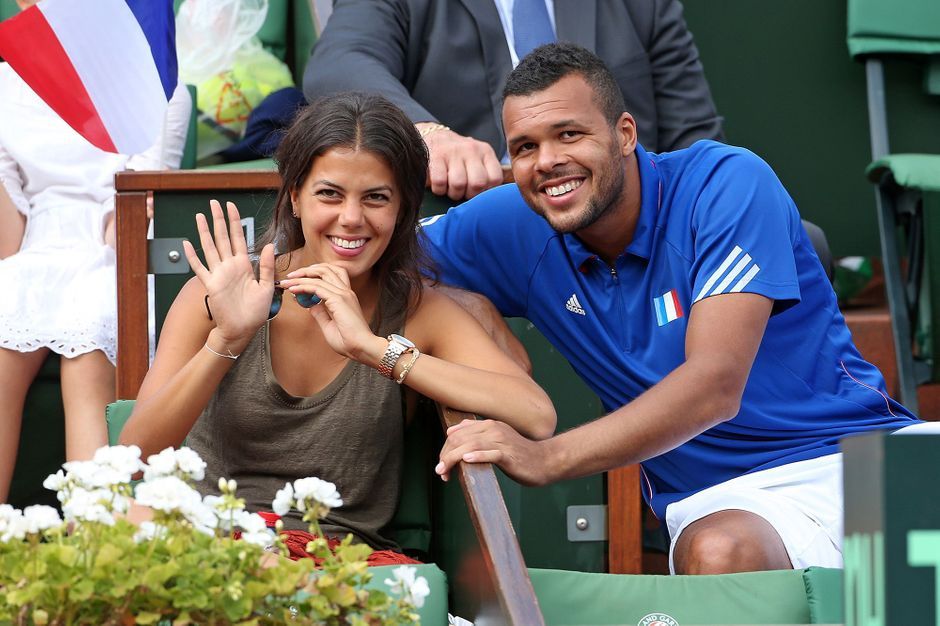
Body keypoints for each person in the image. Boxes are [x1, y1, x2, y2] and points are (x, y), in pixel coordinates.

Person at [423, 42, 924, 575]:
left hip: (859, 461)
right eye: (524, 147)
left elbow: (713, 386)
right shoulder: (512, 224)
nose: (547, 161)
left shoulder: (725, 182)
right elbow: (370, 257)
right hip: (729, 503)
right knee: (720, 555)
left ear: (624, 135)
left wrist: (546, 458)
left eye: (570, 134)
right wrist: (471, 317)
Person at [118, 93, 555, 560]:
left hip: (332, 561)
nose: (351, 218)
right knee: (124, 517)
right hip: (204, 543)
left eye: (376, 198)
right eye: (329, 193)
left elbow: (536, 414)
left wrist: (372, 349)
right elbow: (133, 457)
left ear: (402, 209)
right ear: (296, 197)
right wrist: (226, 339)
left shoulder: (418, 310)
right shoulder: (221, 294)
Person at [0, 3, 191, 503]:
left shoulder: (154, 78)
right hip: (33, 256)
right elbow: (9, 240)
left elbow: (128, 216)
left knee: (86, 346)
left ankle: (96, 543)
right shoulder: (6, 82)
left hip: (115, 253)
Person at [303, 0, 724, 201]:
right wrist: (429, 135)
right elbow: (339, 64)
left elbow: (695, 140)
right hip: (472, 233)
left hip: (625, 245)